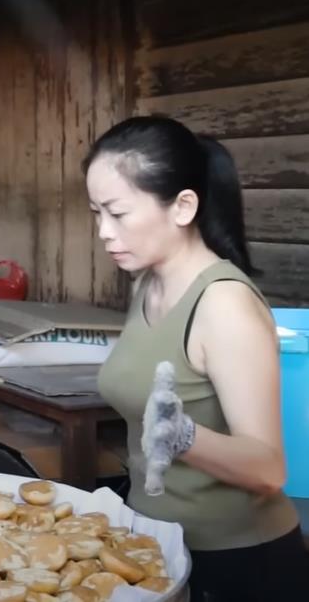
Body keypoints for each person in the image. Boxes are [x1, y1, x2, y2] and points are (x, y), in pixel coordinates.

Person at [85, 116, 306, 600]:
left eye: (118, 213)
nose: (103, 231)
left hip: (237, 564)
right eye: (96, 212)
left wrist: (184, 437)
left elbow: (269, 469)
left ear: (183, 206)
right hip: (158, 547)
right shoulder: (147, 282)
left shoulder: (224, 304)